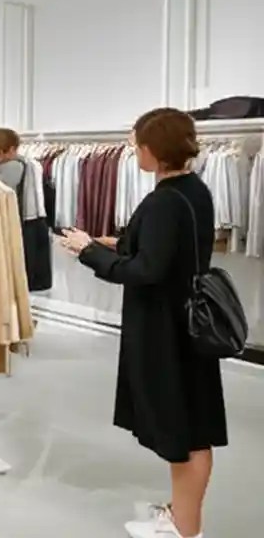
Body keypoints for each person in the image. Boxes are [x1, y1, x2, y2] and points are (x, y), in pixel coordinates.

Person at [58, 108, 224, 538]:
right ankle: (181, 518)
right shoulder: (192, 191)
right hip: (186, 321)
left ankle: (185, 528)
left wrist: (90, 253)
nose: (133, 151)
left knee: (182, 431)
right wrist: (100, 243)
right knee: (189, 425)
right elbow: (157, 252)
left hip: (167, 327)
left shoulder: (166, 200)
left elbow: (146, 270)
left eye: (137, 144)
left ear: (154, 149)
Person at [0, 127, 52, 291]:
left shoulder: (13, 166)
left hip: (23, 223)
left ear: (12, 149)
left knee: (20, 273)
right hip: (32, 220)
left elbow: (2, 194)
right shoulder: (28, 164)